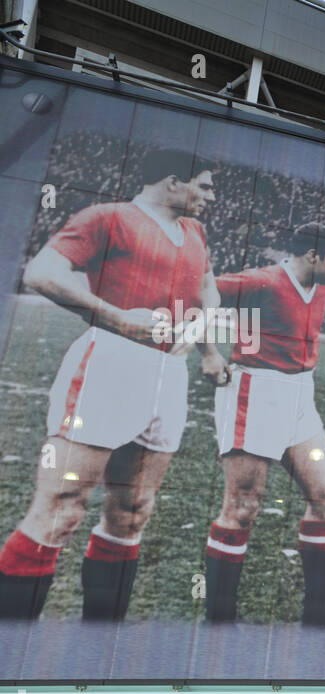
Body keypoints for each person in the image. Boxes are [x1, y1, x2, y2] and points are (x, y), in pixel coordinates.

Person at [0, 148, 226, 621]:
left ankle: (100, 643)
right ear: (172, 182)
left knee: (134, 510)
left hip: (169, 375)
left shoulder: (195, 231)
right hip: (109, 363)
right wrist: (118, 318)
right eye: (203, 186)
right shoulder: (107, 217)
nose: (211, 195)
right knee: (62, 507)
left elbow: (207, 288)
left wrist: (207, 349)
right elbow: (41, 273)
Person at [204, 222, 325, 627]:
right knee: (242, 507)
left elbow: (254, 323)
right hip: (257, 391)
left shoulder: (322, 286)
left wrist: (247, 334)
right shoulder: (261, 280)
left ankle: (319, 612)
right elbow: (192, 296)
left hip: (301, 395)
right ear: (312, 255)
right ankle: (220, 621)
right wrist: (209, 353)